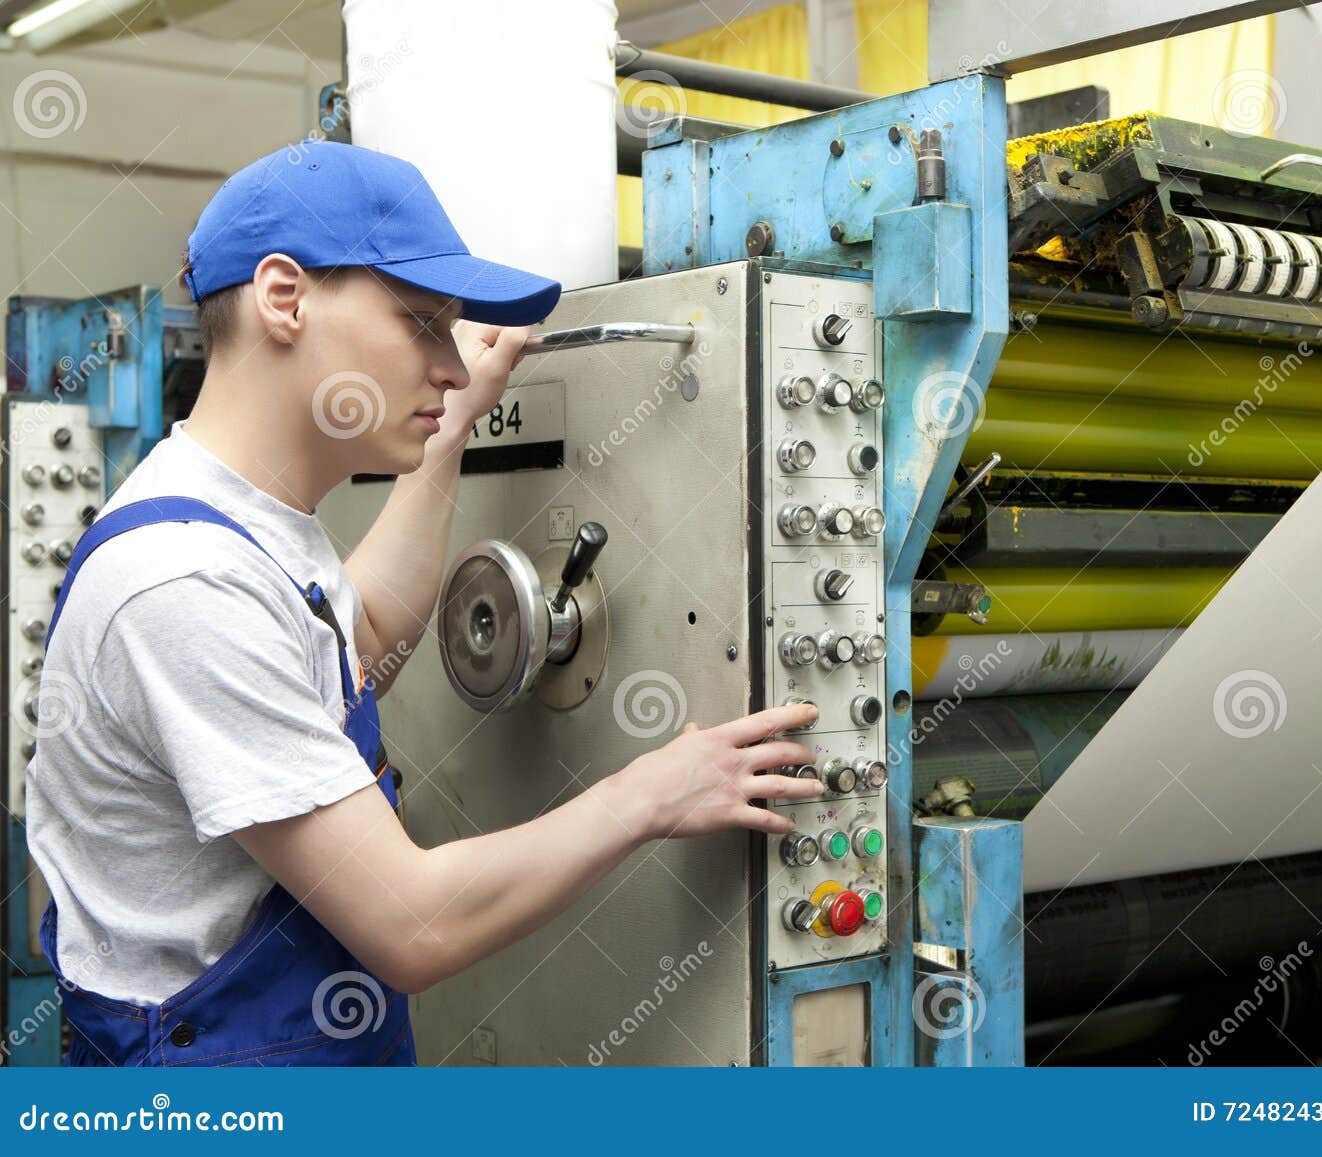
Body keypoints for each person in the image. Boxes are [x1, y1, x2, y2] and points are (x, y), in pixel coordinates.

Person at [24, 141, 822, 1067]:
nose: (449, 364)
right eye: (421, 323)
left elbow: (359, 633)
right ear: (285, 297)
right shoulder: (185, 581)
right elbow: (412, 922)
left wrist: (452, 434)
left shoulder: (248, 518)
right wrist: (652, 792)